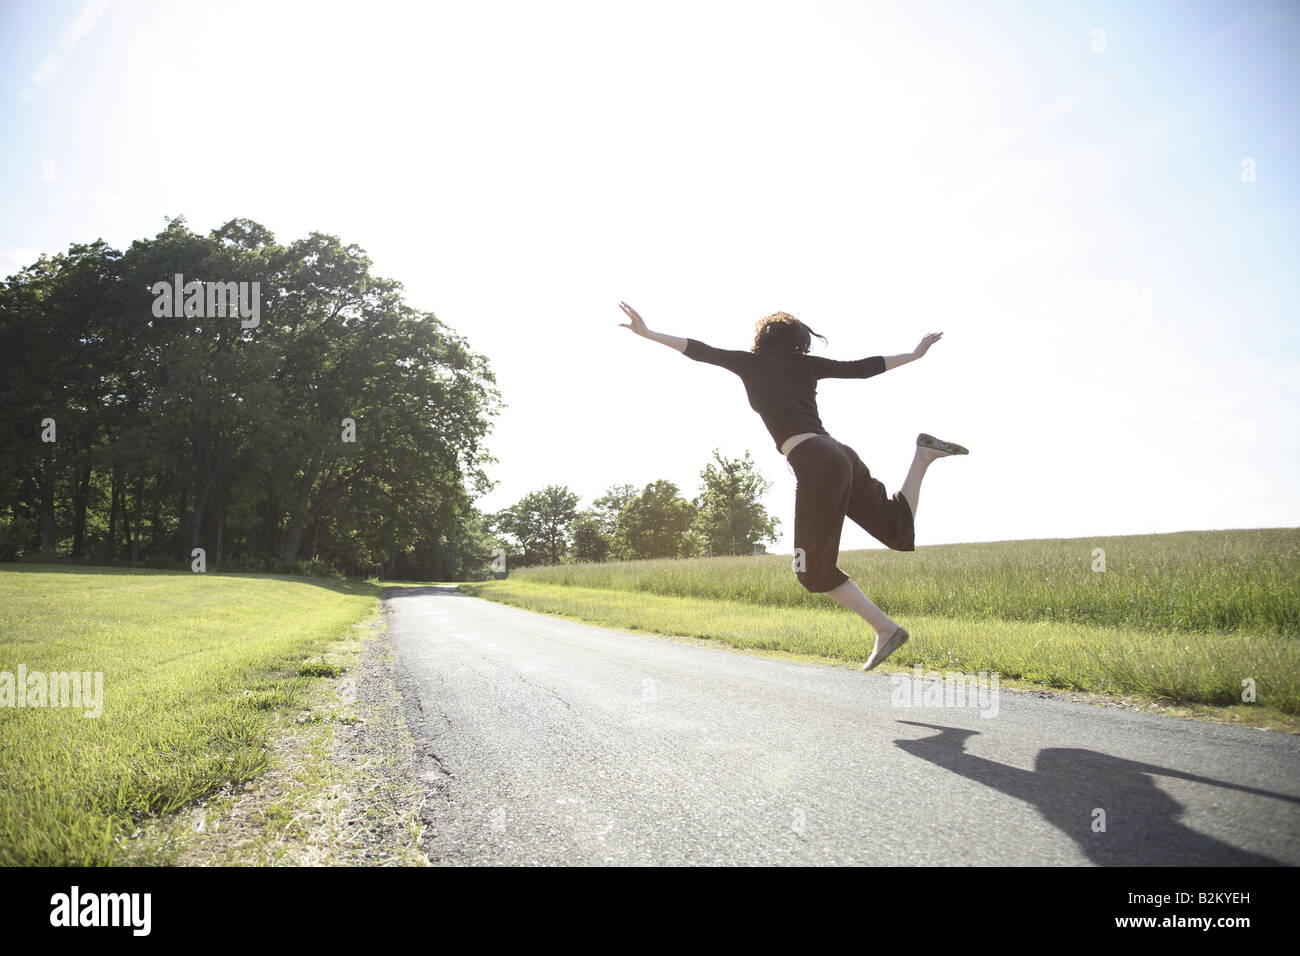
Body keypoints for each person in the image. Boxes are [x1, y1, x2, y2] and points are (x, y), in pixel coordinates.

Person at [618, 302, 968, 671]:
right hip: (839, 454)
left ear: (762, 339)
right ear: (800, 343)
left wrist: (649, 333)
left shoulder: (749, 363)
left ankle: (885, 629)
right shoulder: (806, 366)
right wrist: (914, 355)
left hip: (815, 461)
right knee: (896, 531)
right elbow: (862, 369)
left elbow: (700, 350)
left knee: (810, 571)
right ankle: (923, 457)